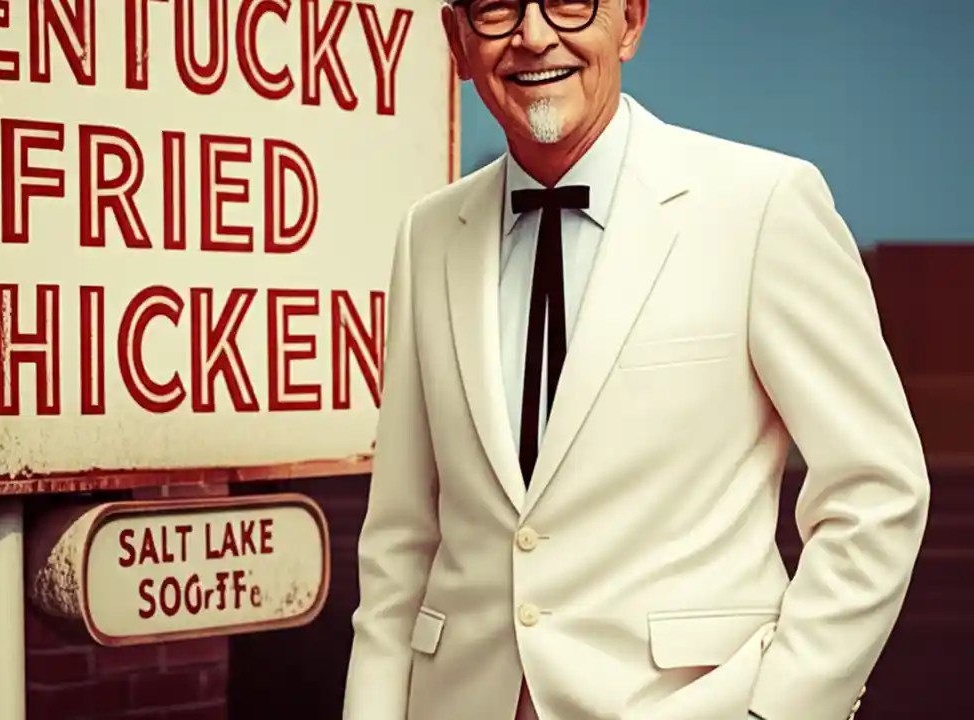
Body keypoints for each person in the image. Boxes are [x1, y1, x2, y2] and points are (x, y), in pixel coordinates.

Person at [341, 1, 930, 719]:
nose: (532, 36)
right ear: (457, 42)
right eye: (496, 8)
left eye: (567, 3)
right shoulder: (426, 232)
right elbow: (400, 541)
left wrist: (783, 707)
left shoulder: (764, 203)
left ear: (630, 20)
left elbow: (876, 493)